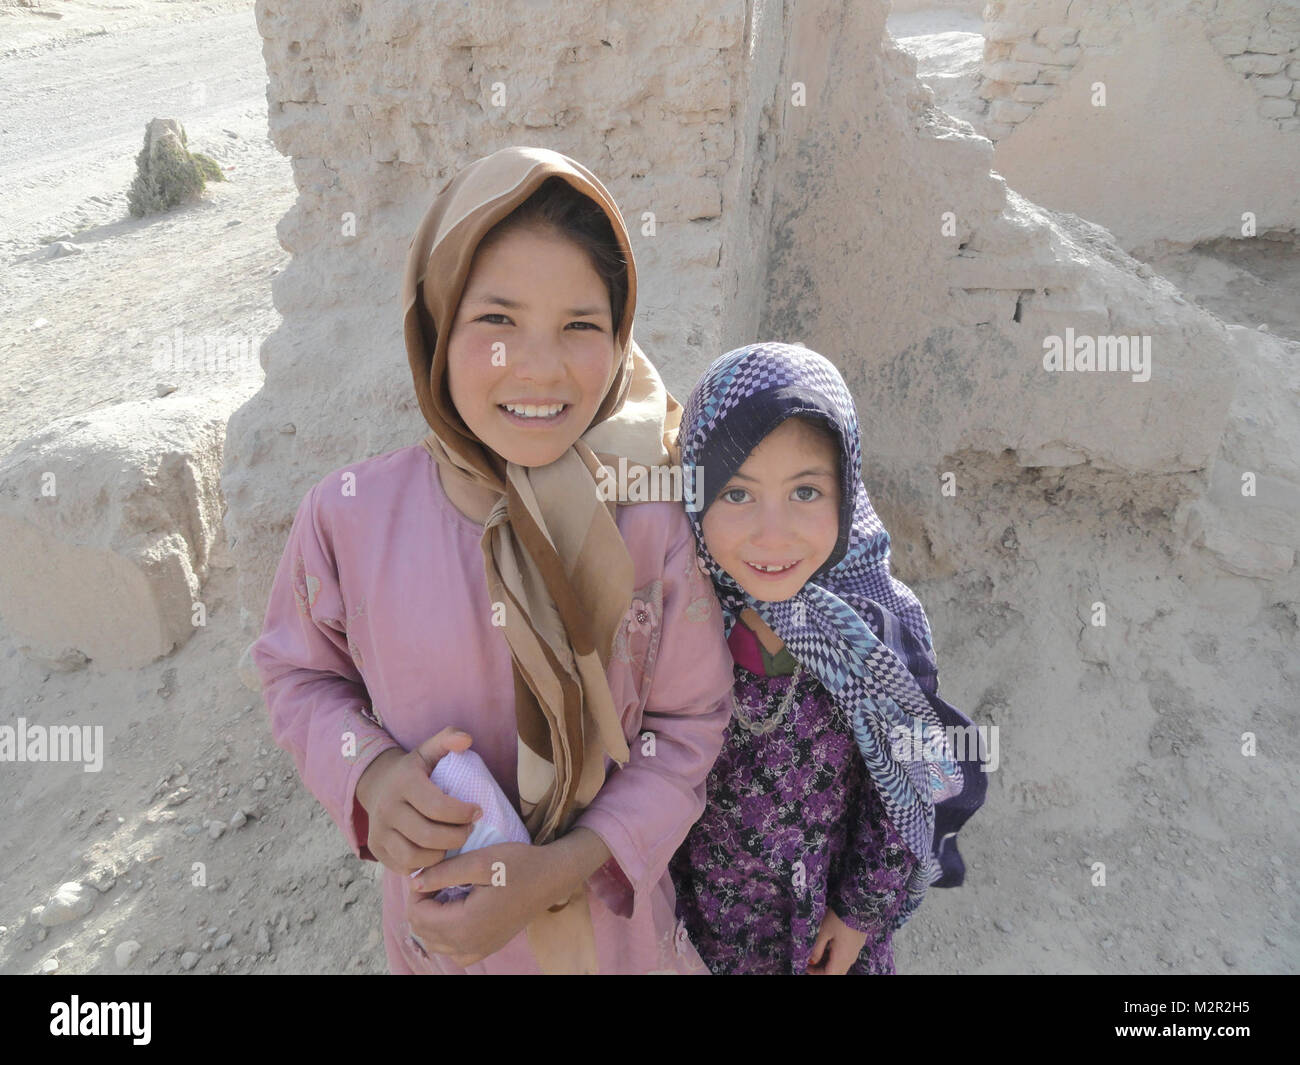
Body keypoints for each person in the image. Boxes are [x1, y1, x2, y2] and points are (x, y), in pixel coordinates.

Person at [251, 146, 734, 974]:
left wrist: (562, 863)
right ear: (437, 327)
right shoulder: (349, 520)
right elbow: (299, 676)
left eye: (581, 325)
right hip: (447, 944)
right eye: (497, 321)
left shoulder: (649, 518)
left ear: (621, 336)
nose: (539, 367)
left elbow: (688, 729)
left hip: (618, 941)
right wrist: (368, 774)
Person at [668, 341, 988, 974]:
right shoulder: (678, 617)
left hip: (825, 933)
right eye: (736, 493)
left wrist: (862, 913)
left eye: (806, 492)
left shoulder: (876, 630)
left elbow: (909, 784)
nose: (773, 532)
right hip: (701, 927)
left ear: (848, 488)